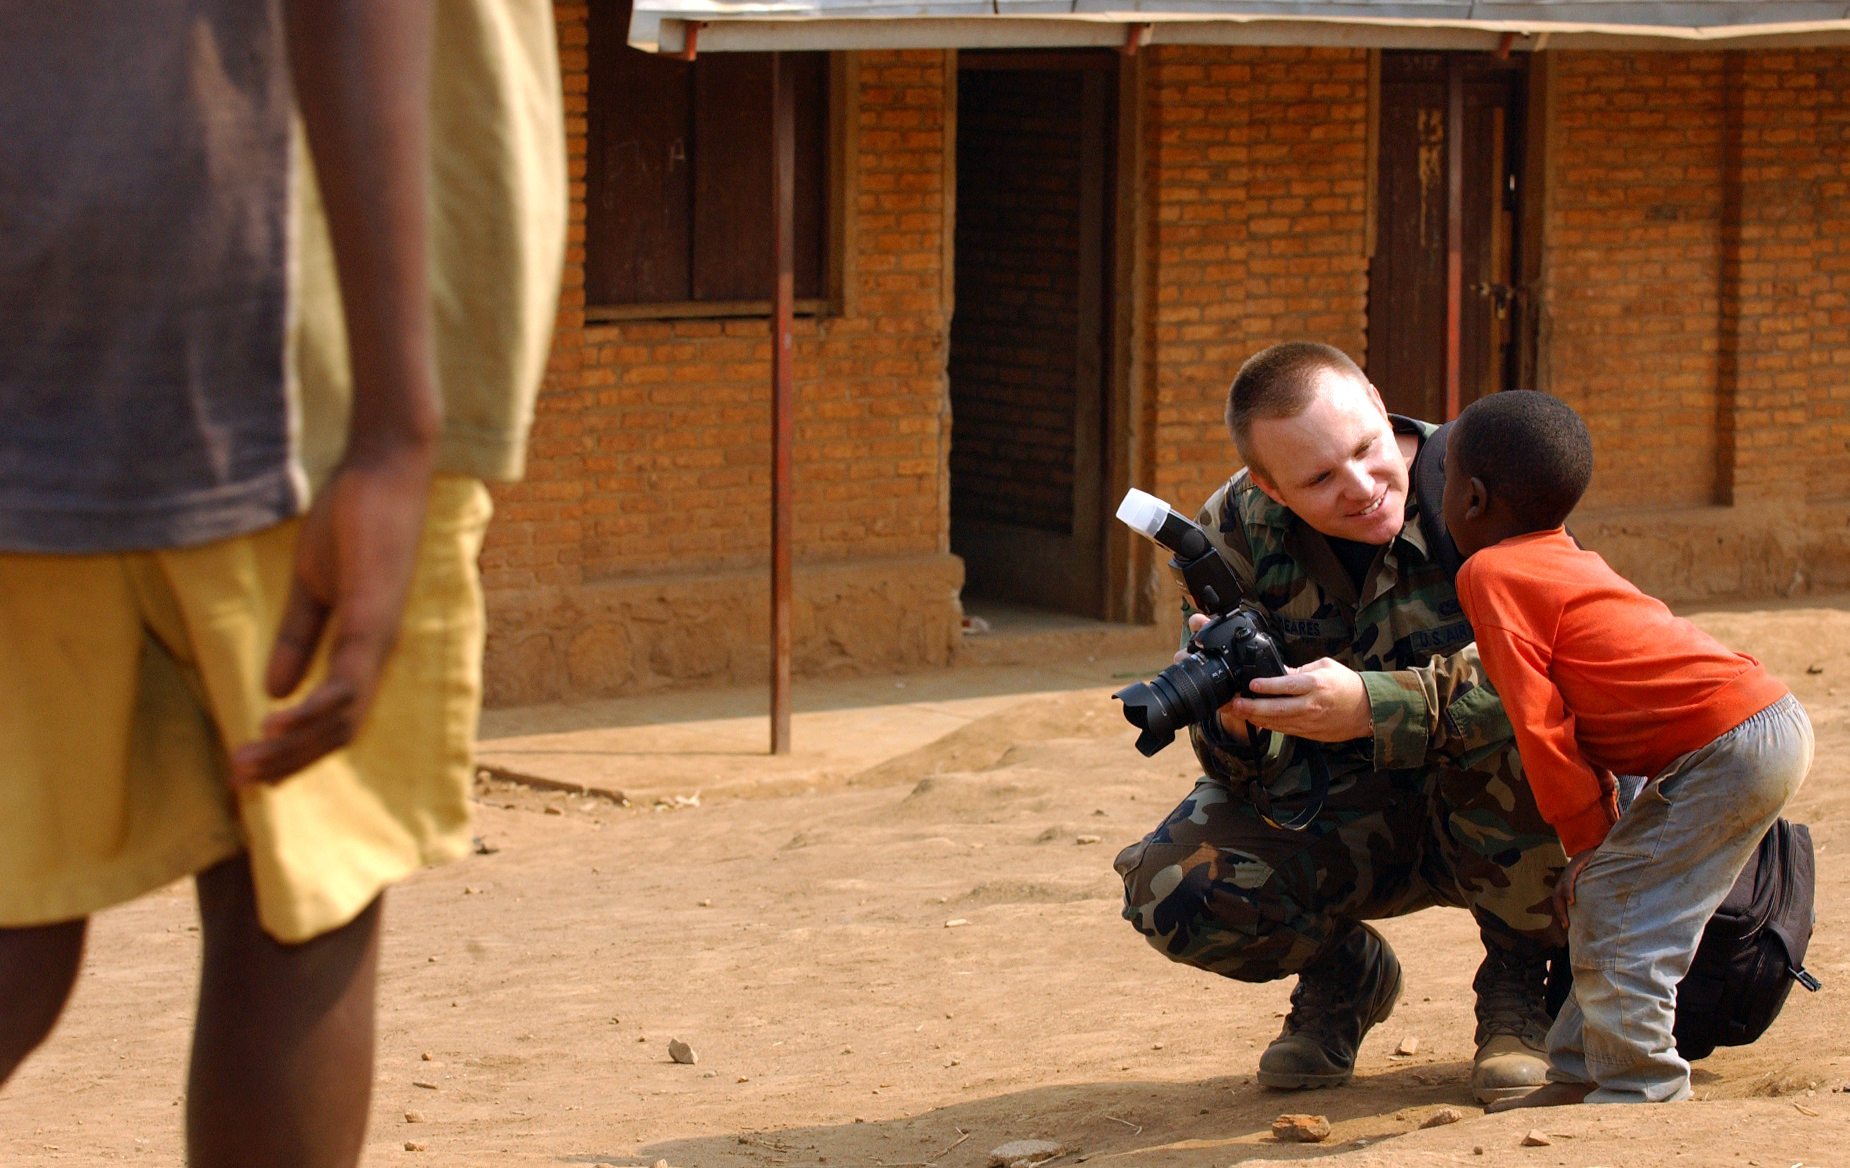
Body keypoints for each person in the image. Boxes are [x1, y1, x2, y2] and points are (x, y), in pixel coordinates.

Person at [0, 1, 563, 1163]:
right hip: (284, 326)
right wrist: (394, 432)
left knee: (15, 922)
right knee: (296, 896)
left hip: (41, 262)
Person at [1114, 342, 1568, 1102]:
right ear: (1269, 485)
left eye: (1365, 449)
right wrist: (1236, 726)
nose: (1361, 488)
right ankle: (1343, 975)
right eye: (1319, 479)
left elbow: (1555, 665)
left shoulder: (1491, 482)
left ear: (1379, 404)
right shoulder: (1233, 529)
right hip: (1347, 809)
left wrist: (1373, 705)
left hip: (1501, 808)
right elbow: (1237, 773)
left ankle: (1520, 985)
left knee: (1533, 738)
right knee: (1176, 885)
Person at [1441, 391, 1811, 1108]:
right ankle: (1581, 1070)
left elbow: (1540, 723)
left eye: (1446, 479)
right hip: (1750, 729)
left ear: (1474, 498)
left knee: (1617, 902)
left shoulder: (1490, 574)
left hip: (1728, 744)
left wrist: (1587, 843)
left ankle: (1641, 1085)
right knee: (1611, 896)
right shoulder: (1563, 555)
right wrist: (1601, 840)